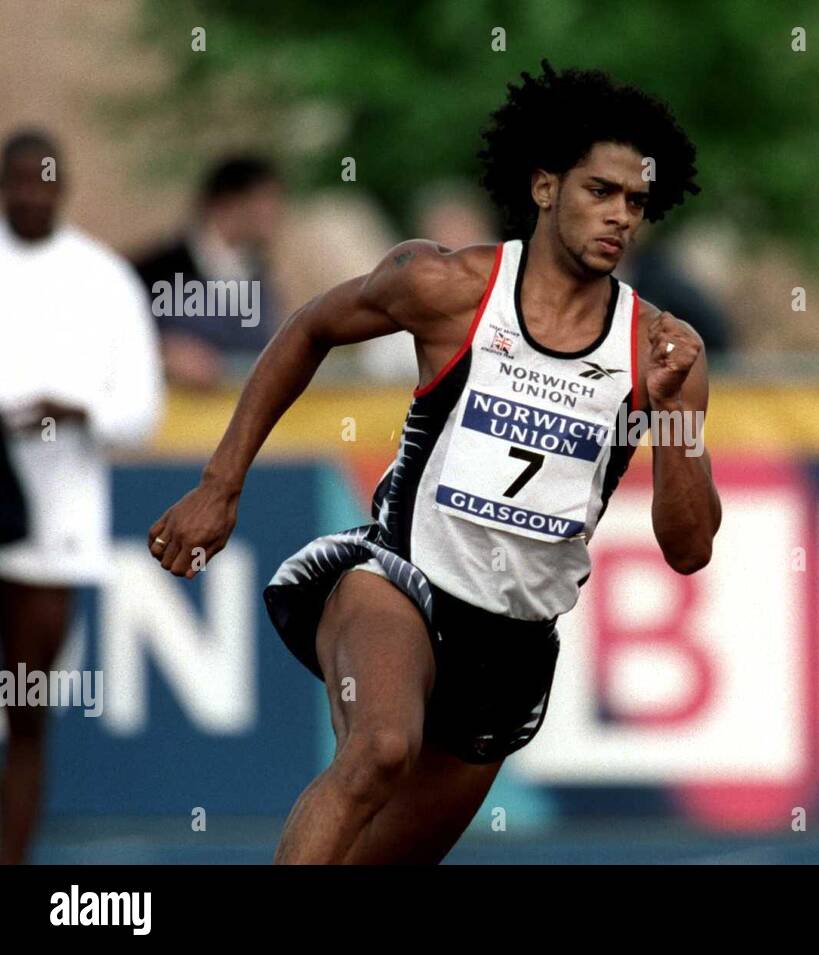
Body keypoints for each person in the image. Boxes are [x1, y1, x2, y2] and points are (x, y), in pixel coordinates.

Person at [146, 61, 722, 864]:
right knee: (379, 748)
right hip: (398, 581)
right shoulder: (448, 286)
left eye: (636, 200)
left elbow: (689, 546)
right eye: (601, 191)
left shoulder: (663, 352)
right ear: (546, 186)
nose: (620, 216)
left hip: (513, 643)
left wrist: (673, 421)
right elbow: (308, 327)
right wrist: (221, 482)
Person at [0, 129, 163, 864]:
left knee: (26, 711)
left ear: (62, 187)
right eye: (16, 182)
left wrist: (72, 409)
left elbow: (141, 409)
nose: (30, 195)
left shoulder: (103, 279)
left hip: (57, 521)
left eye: (42, 182)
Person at [134, 156, 285, 389]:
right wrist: (161, 352)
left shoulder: (259, 276)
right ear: (229, 203)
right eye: (266, 201)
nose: (275, 213)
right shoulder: (154, 270)